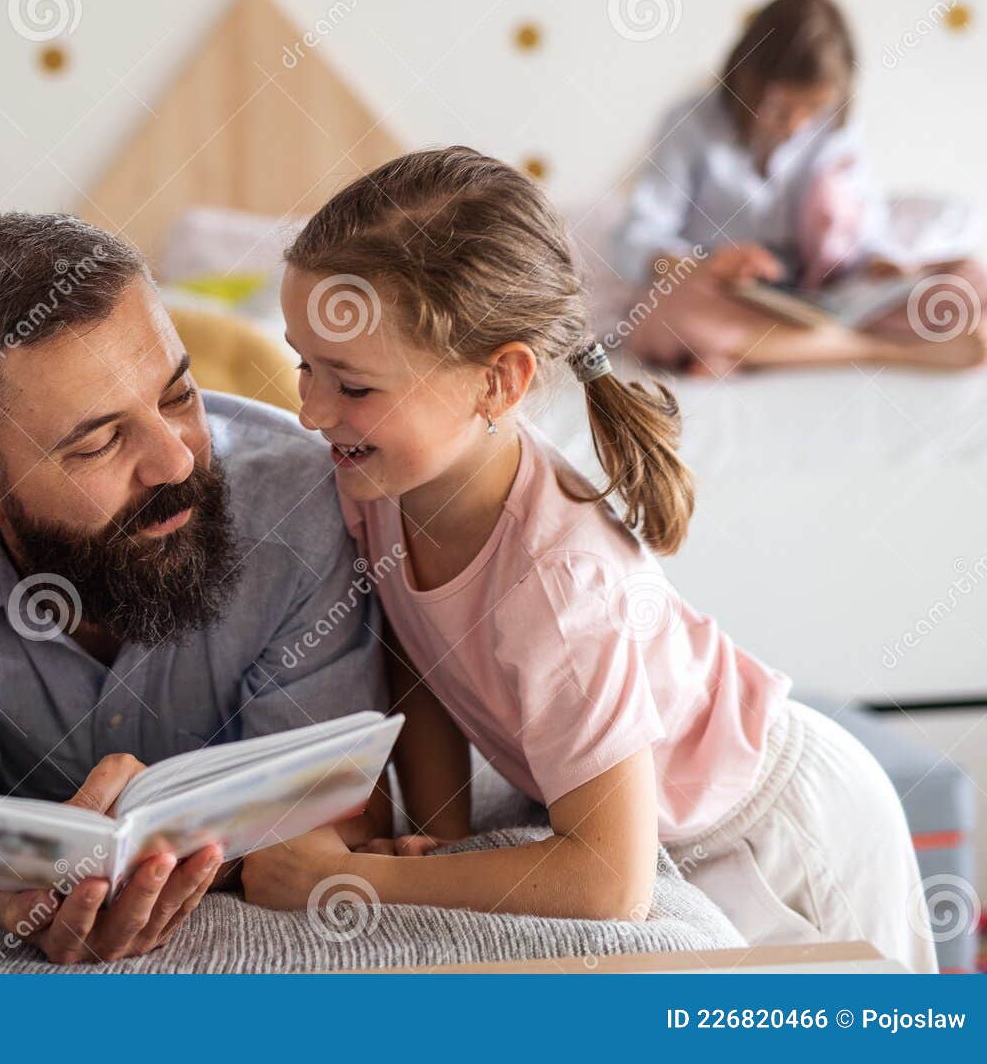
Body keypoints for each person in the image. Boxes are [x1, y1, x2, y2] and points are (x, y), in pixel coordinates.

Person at [240, 146, 937, 973]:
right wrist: (441, 842)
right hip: (680, 822)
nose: (311, 411)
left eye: (352, 387)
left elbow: (610, 882)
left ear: (498, 384)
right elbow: (420, 661)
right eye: (302, 366)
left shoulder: (558, 584)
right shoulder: (384, 483)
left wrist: (355, 879)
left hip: (780, 836)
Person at [0, 211, 391, 964]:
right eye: (98, 441)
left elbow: (344, 802)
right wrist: (12, 887)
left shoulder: (301, 503)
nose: (175, 463)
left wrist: (158, 854)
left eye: (180, 397)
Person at [611, 0, 987, 375]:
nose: (796, 125)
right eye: (780, 109)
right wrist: (703, 266)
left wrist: (883, 262)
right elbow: (634, 240)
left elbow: (865, 217)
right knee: (669, 311)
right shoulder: (691, 122)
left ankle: (757, 352)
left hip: (822, 297)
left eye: (812, 110)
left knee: (970, 279)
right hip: (728, 294)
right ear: (746, 79)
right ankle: (887, 351)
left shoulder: (836, 129)